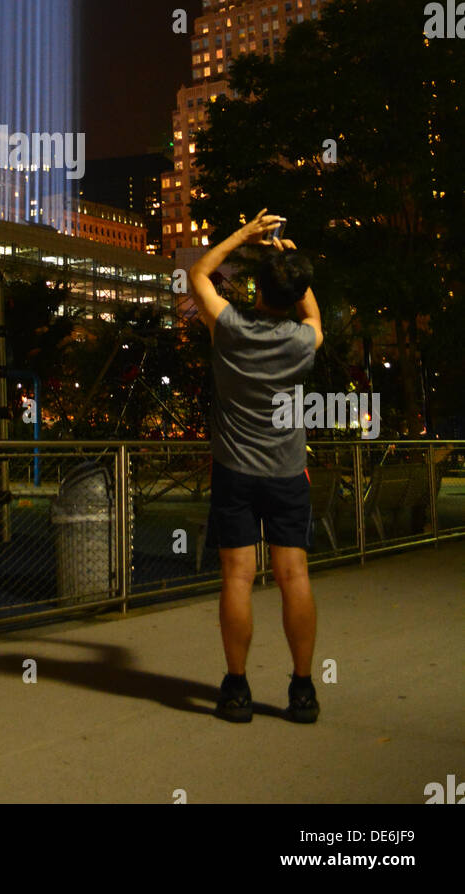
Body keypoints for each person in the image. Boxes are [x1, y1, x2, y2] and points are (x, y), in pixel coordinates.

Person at [188, 209, 323, 724]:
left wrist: (246, 234)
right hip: (287, 472)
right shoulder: (302, 342)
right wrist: (291, 264)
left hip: (235, 470)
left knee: (237, 577)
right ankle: (304, 689)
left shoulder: (230, 328)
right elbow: (312, 316)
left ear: (255, 288)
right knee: (294, 575)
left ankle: (237, 688)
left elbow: (198, 274)